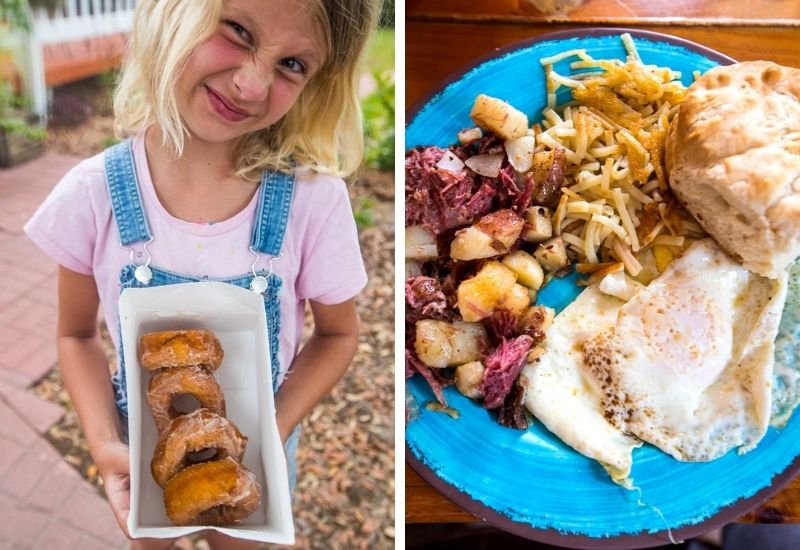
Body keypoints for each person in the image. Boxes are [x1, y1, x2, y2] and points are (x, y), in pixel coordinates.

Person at [24, 0, 381, 548]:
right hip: (139, 447)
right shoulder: (93, 193)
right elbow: (74, 335)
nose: (250, 84)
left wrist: (269, 432)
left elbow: (339, 334)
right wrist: (102, 443)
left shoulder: (313, 202)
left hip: (262, 441)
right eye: (238, 31)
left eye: (292, 65)